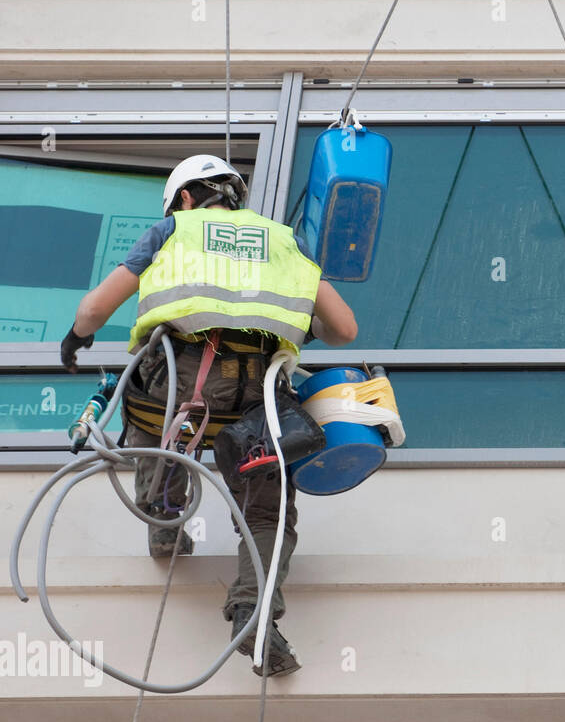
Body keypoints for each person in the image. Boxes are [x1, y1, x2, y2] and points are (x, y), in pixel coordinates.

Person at [60, 154, 358, 677]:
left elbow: (94, 310)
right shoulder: (285, 241)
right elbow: (345, 330)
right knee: (266, 512)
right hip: (255, 402)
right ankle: (253, 611)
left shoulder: (173, 228)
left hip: (172, 388)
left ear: (186, 198)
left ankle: (164, 518)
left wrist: (77, 337)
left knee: (149, 423)